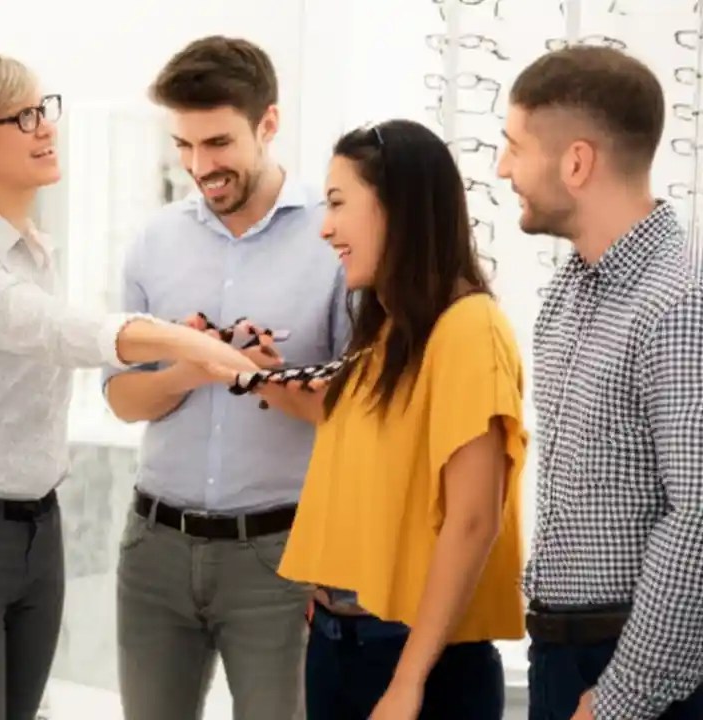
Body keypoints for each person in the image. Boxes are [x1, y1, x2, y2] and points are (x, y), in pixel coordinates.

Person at [0, 53, 261, 720]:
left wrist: (185, 350)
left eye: (45, 108)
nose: (46, 128)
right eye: (24, 116)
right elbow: (57, 330)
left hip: (34, 530)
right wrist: (186, 342)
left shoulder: (32, 246)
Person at [102, 35, 349, 720]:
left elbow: (355, 414)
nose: (198, 167)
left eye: (217, 143)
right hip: (153, 551)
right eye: (183, 146)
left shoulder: (331, 242)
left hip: (280, 558)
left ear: (268, 123)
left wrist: (262, 379)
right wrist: (190, 367)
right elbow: (121, 400)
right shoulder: (154, 242)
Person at [265, 119, 528, 719]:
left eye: (338, 204)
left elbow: (473, 518)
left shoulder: (469, 328)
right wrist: (252, 372)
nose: (325, 227)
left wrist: (408, 682)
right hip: (340, 642)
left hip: (412, 660)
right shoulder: (384, 331)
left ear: (398, 208)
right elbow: (358, 444)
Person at [498, 46, 703, 720]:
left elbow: (697, 517)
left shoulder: (678, 300)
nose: (503, 168)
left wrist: (622, 696)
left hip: (639, 667)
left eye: (514, 147)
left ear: (576, 161)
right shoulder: (570, 293)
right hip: (562, 654)